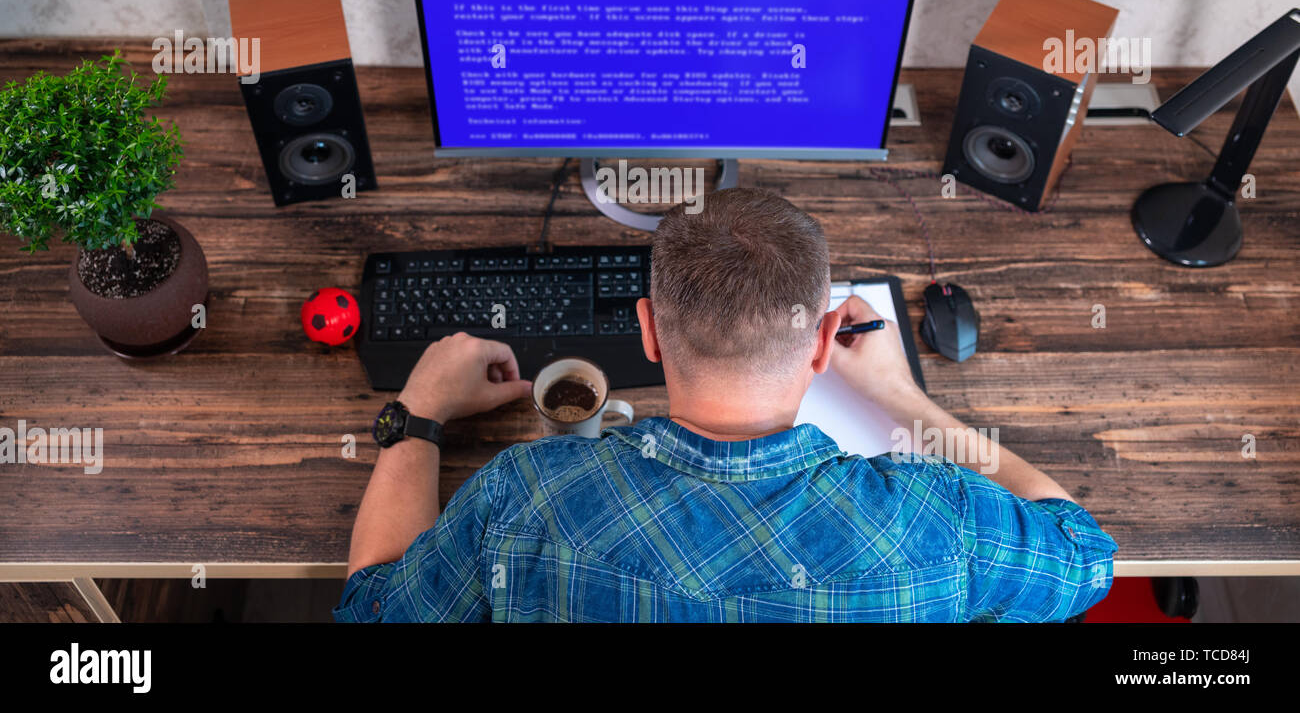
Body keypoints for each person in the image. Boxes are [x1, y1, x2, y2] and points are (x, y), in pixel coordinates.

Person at [336, 187, 1116, 621]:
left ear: (647, 330)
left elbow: (371, 610)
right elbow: (1085, 554)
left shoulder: (526, 496)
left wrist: (418, 412)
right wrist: (903, 395)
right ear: (822, 341)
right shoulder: (935, 519)